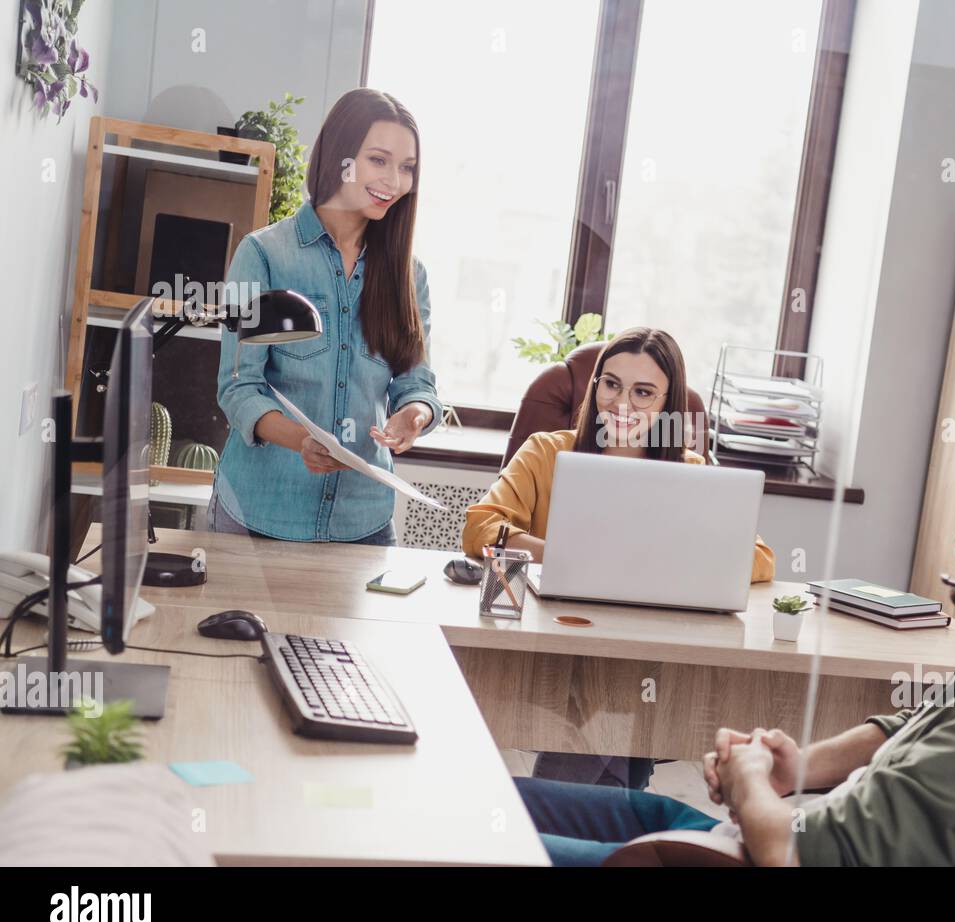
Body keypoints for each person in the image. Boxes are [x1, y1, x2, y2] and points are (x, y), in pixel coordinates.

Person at [512, 432, 955, 865]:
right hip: (747, 830)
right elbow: (906, 728)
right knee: (508, 794)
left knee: (478, 835)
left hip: (754, 853)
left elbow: (793, 854)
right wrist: (796, 768)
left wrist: (755, 780)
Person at [463, 327, 776, 790]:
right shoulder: (548, 451)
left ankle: (571, 820)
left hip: (646, 649)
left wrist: (671, 559)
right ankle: (589, 819)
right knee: (611, 705)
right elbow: (480, 527)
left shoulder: (690, 472)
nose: (621, 404)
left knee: (615, 695)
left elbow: (761, 557)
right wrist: (560, 553)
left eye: (644, 392)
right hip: (558, 640)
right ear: (595, 387)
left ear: (668, 405)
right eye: (611, 384)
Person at [210, 88, 441, 545]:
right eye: (379, 160)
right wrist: (301, 441)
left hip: (365, 521)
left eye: (407, 167)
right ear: (341, 158)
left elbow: (416, 383)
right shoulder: (264, 255)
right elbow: (240, 388)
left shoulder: (408, 275)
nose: (393, 181)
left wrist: (412, 416)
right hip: (261, 512)